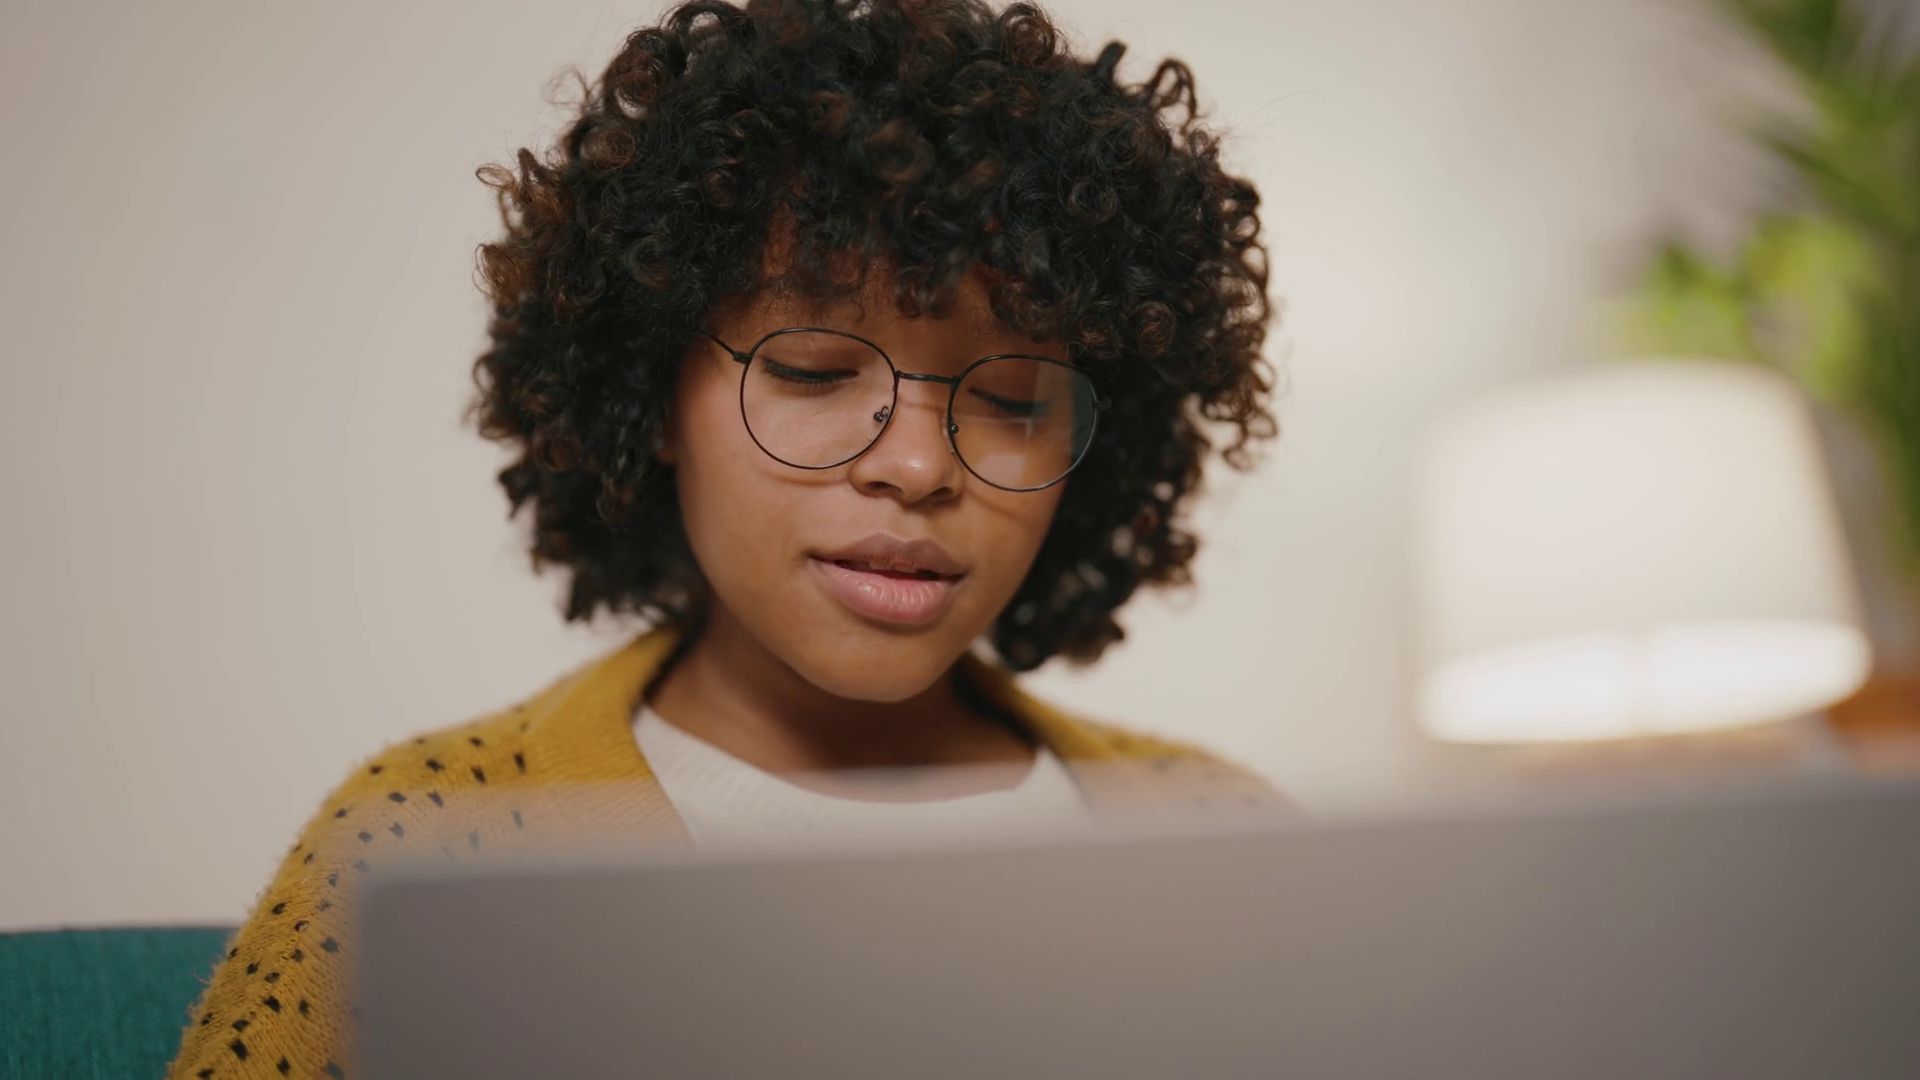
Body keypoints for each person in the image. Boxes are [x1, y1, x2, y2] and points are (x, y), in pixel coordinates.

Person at [166, 0, 1280, 1075]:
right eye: (811, 371)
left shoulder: (1232, 848)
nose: (918, 464)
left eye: (1016, 400)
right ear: (651, 398)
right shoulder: (423, 841)